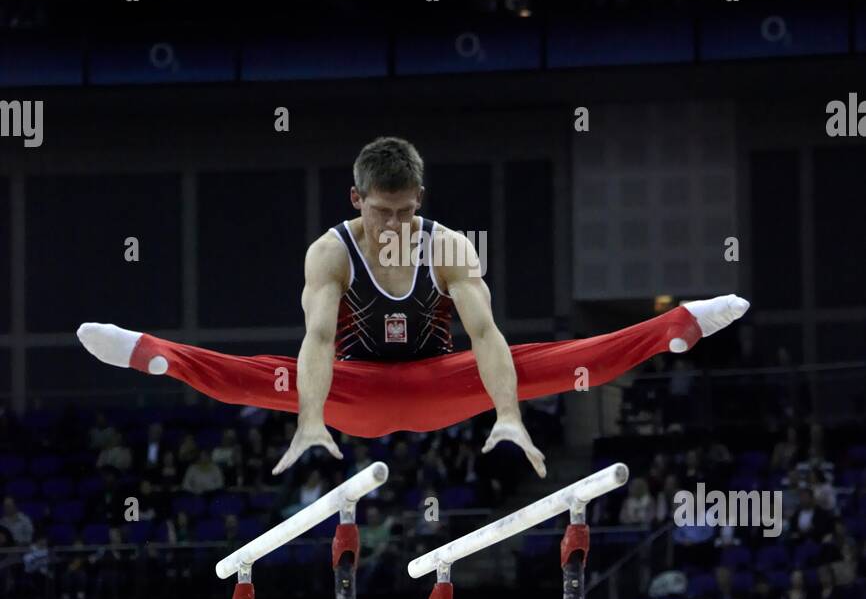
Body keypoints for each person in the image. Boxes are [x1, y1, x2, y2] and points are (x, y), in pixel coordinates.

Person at [76, 138, 750, 466]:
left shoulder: (450, 247)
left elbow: (484, 336)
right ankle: (152, 353)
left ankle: (676, 327)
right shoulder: (330, 253)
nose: (395, 225)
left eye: (405, 211)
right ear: (355, 201)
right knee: (266, 375)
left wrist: (510, 415)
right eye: (381, 211)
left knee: (545, 360)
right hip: (351, 393)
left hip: (442, 385)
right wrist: (311, 420)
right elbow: (315, 341)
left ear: (419, 201)